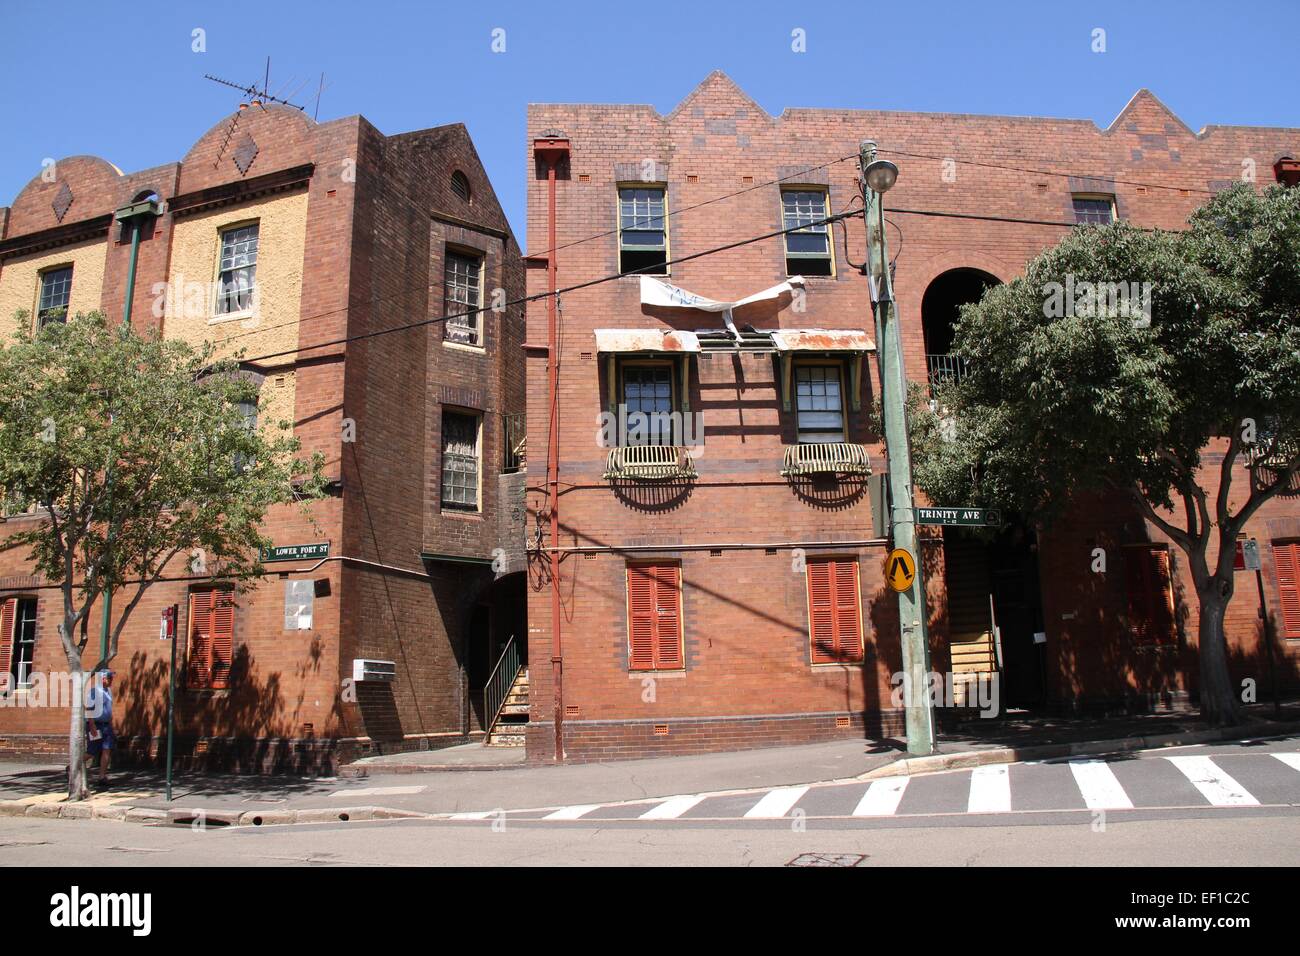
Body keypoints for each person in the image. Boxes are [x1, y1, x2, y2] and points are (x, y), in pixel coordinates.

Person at [85, 669, 115, 788]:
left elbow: (109, 709)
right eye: (109, 678)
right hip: (96, 725)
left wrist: (111, 724)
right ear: (102, 679)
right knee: (92, 751)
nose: (111, 680)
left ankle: (102, 776)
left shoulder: (108, 691)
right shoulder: (94, 692)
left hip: (106, 725)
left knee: (107, 749)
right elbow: (89, 709)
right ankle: (72, 767)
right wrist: (91, 725)